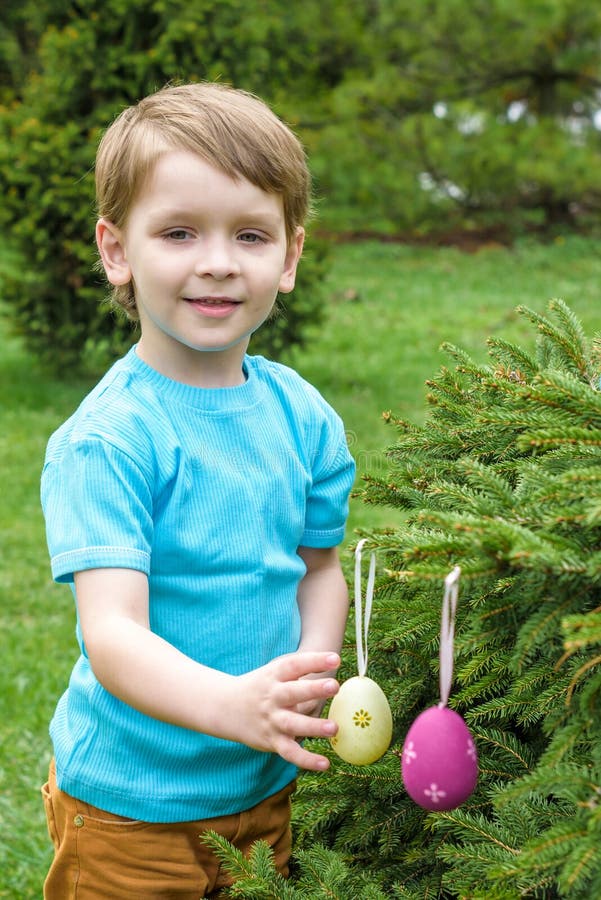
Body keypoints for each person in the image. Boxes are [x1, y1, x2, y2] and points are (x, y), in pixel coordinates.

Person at [40, 82, 355, 899]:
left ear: (287, 258)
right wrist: (233, 706)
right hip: (131, 809)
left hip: (261, 784)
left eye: (250, 234)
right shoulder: (109, 440)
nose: (217, 260)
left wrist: (304, 679)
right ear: (117, 251)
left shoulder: (303, 416)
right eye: (178, 232)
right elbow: (113, 637)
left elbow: (318, 565)